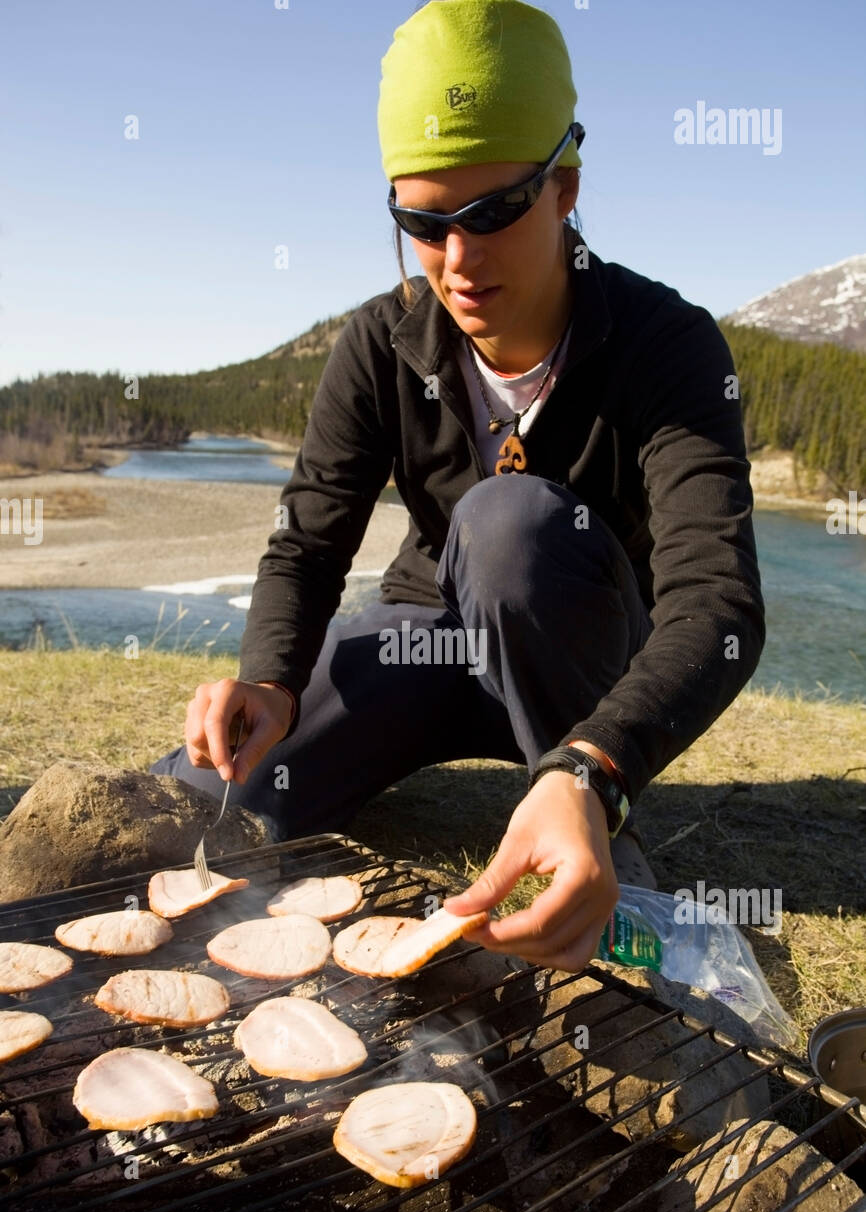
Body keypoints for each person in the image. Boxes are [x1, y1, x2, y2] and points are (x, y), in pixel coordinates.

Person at [151, 0, 764, 973]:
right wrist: (268, 676)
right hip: (426, 641)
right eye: (422, 223)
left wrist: (592, 767)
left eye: (490, 214)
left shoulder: (665, 344)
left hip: (583, 665)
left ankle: (596, 844)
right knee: (190, 800)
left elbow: (716, 600)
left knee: (508, 526)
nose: (457, 260)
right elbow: (309, 540)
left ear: (563, 187)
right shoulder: (378, 342)